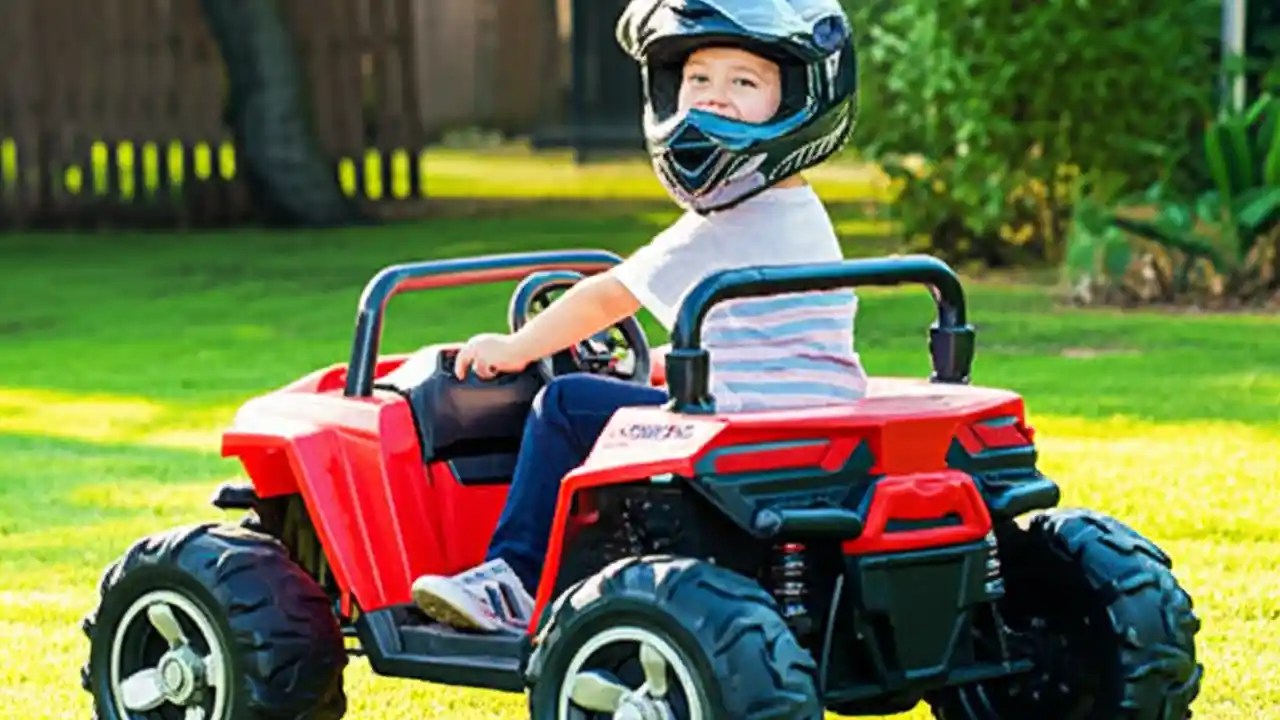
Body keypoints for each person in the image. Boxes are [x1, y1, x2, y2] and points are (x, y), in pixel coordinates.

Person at [411, 0, 866, 633]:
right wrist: (665, 365)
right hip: (805, 422)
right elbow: (765, 336)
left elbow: (607, 298)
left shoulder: (728, 222)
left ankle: (511, 580)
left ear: (792, 100)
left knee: (564, 405)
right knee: (632, 397)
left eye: (744, 82)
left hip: (743, 427)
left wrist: (515, 348)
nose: (714, 99)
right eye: (699, 79)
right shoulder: (798, 211)